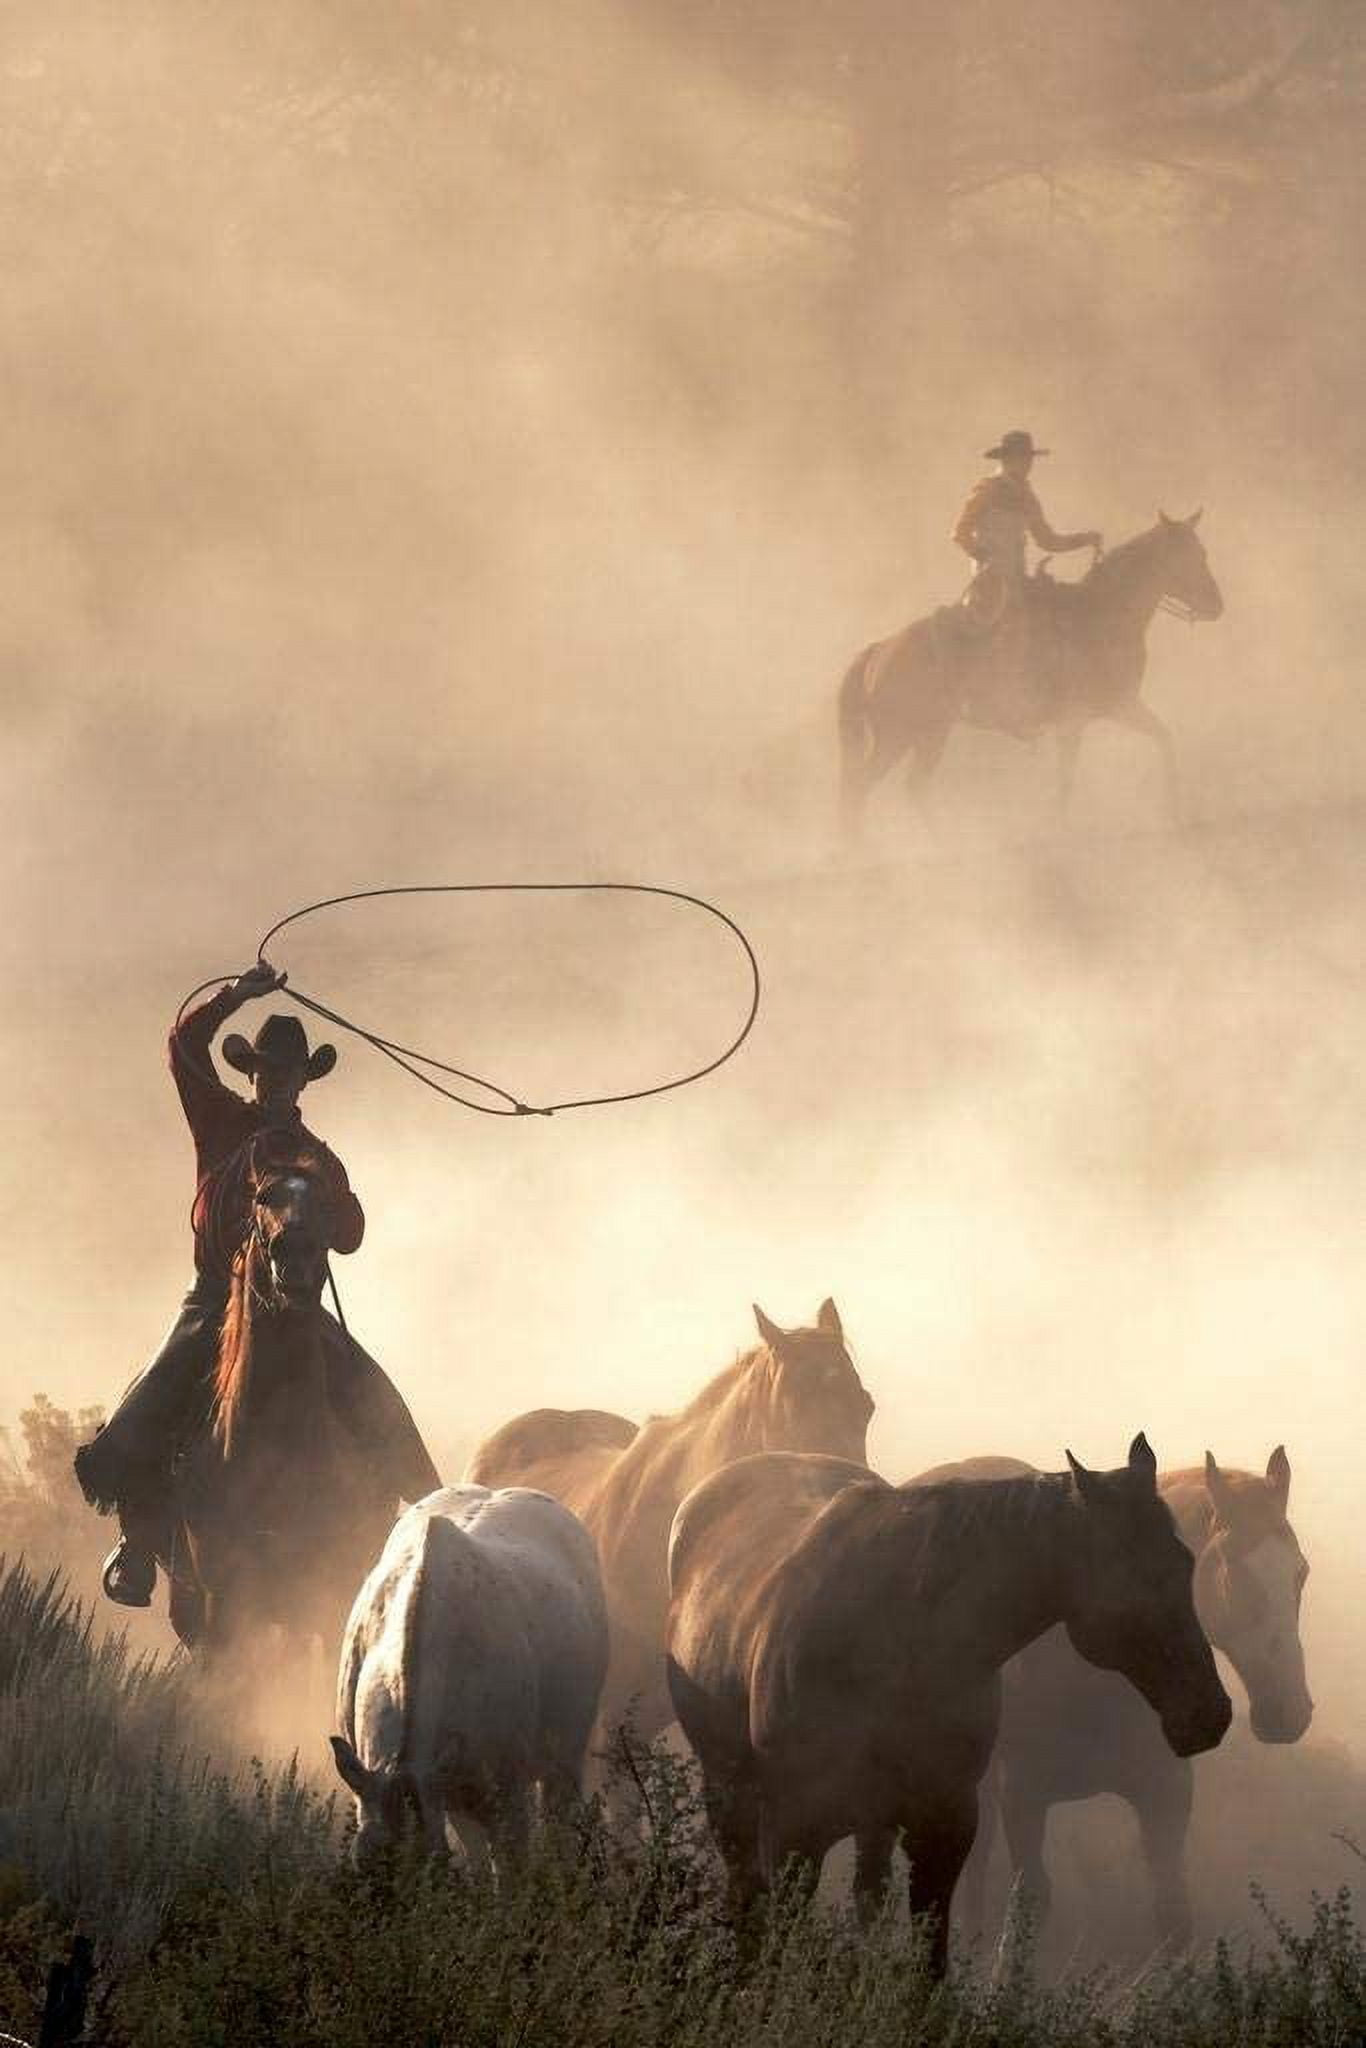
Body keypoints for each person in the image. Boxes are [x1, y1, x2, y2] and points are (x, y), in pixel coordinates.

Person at [74, 962, 435, 1606]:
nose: (277, 1080)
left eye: (288, 1072)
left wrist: (333, 1201)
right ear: (252, 1074)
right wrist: (237, 994)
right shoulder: (220, 1120)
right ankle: (139, 1542)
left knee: (378, 1401)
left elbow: (349, 1236)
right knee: (145, 1407)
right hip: (215, 1300)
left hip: (297, 1308)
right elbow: (184, 1047)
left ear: (303, 1080)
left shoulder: (319, 1156)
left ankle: (424, 1522)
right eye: (267, 1070)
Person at [952, 429, 1102, 629]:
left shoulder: (1027, 497)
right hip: (991, 584)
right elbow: (960, 532)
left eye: (1028, 459)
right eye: (1022, 458)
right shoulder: (988, 490)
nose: (1028, 464)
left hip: (1018, 580)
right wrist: (984, 558)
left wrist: (1084, 539)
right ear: (1007, 459)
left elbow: (1047, 540)